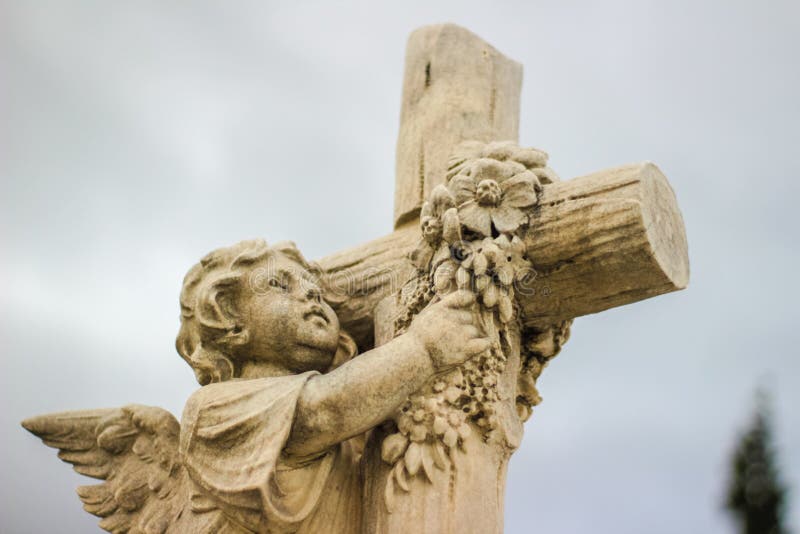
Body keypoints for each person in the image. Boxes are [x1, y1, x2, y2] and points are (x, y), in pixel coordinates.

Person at [175, 239, 489, 533]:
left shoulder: (352, 435)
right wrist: (423, 349)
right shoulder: (212, 410)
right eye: (280, 284)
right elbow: (324, 412)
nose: (311, 295)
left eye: (319, 294)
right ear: (227, 313)